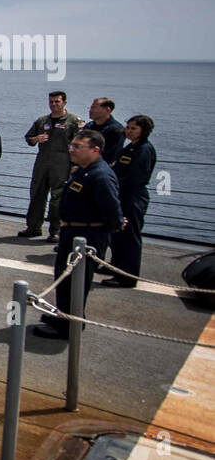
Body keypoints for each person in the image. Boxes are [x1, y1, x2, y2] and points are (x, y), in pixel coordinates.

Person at [32, 131, 122, 340]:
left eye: (77, 146)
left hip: (86, 234)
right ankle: (64, 316)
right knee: (64, 278)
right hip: (73, 231)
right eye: (71, 145)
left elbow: (112, 210)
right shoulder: (84, 171)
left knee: (76, 281)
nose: (71, 149)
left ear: (95, 149)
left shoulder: (100, 175)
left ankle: (69, 328)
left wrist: (104, 231)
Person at [20, 90, 83, 241]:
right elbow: (29, 138)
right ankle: (33, 227)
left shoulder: (74, 121)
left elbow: (80, 143)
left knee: (57, 198)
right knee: (36, 195)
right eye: (51, 102)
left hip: (62, 163)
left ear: (64, 102)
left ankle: (55, 230)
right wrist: (36, 139)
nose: (54, 105)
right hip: (42, 162)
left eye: (57, 102)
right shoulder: (42, 121)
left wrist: (75, 165)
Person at [102, 115, 156, 288]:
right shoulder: (131, 147)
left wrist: (115, 184)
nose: (129, 131)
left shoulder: (144, 149)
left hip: (133, 196)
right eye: (128, 127)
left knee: (130, 236)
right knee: (118, 233)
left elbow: (135, 177)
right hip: (121, 194)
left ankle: (128, 276)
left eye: (134, 128)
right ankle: (116, 267)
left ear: (143, 130)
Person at [81, 97, 126, 165]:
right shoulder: (89, 126)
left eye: (94, 108)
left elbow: (111, 156)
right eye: (90, 108)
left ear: (107, 110)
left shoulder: (116, 130)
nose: (90, 111)